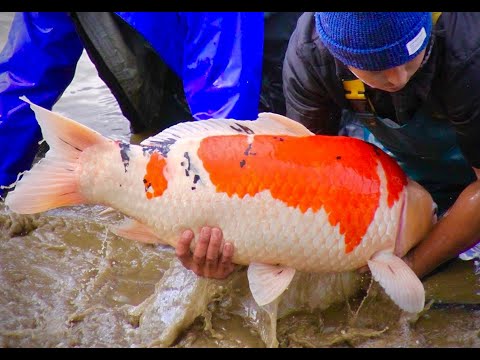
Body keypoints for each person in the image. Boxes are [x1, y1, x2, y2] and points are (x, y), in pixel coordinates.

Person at [0, 11, 302, 278]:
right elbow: (24, 82)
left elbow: (226, 104)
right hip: (169, 96)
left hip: (271, 89)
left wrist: (222, 216)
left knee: (239, 238)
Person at [279, 12, 480, 280]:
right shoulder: (312, 53)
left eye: (408, 57)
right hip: (405, 171)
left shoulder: (468, 48)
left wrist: (407, 269)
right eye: (376, 69)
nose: (397, 79)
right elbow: (307, 184)